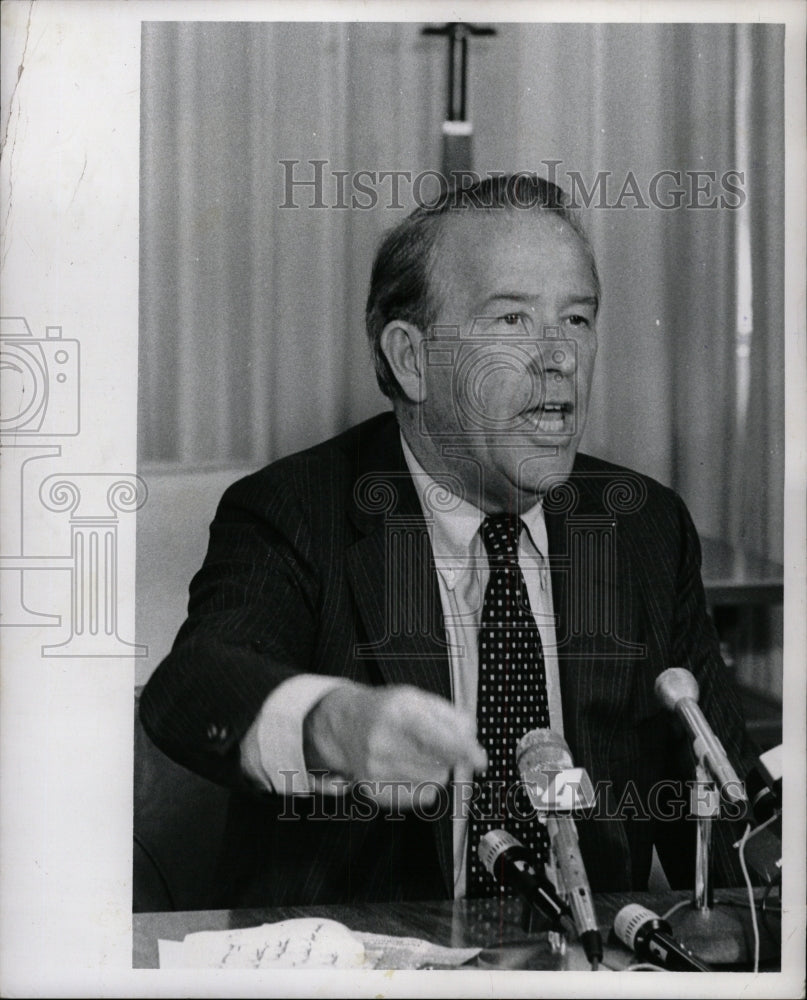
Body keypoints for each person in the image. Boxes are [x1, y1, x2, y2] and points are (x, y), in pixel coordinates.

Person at [140, 173, 757, 908]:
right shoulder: (297, 512)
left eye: (578, 320)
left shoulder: (639, 527)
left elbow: (733, 824)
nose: (557, 357)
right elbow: (192, 688)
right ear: (410, 359)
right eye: (512, 322)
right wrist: (332, 722)